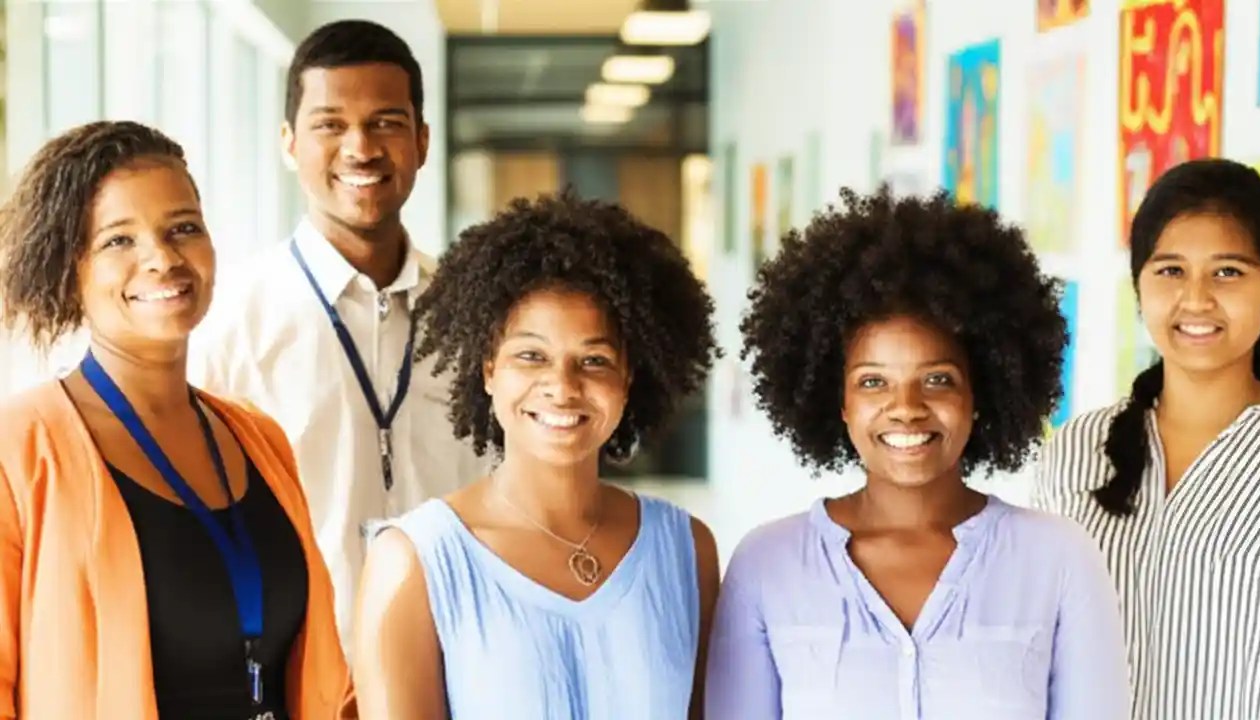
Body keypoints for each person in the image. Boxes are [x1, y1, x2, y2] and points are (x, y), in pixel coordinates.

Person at [706, 187, 1129, 719]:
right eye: (873, 382)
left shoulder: (1060, 559)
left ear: (982, 392)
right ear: (837, 400)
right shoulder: (767, 565)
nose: (905, 408)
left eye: (937, 379)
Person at [0, 121, 348, 719]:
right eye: (118, 240)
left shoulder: (256, 438)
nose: (162, 258)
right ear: (71, 266)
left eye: (183, 228)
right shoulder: (22, 449)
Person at [350, 191, 722, 719]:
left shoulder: (687, 551)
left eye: (594, 360)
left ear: (628, 377)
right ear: (488, 371)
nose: (562, 387)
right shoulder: (414, 562)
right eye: (531, 356)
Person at [189, 19, 483, 646]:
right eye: (330, 124)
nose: (360, 148)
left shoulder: (475, 314)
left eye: (385, 123)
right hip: (299, 674)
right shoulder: (229, 324)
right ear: (289, 142)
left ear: (422, 141)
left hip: (461, 664)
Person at [1033, 158, 1260, 720]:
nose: (1195, 299)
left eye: (1228, 272)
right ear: (1140, 288)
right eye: (1170, 270)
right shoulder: (1074, 453)